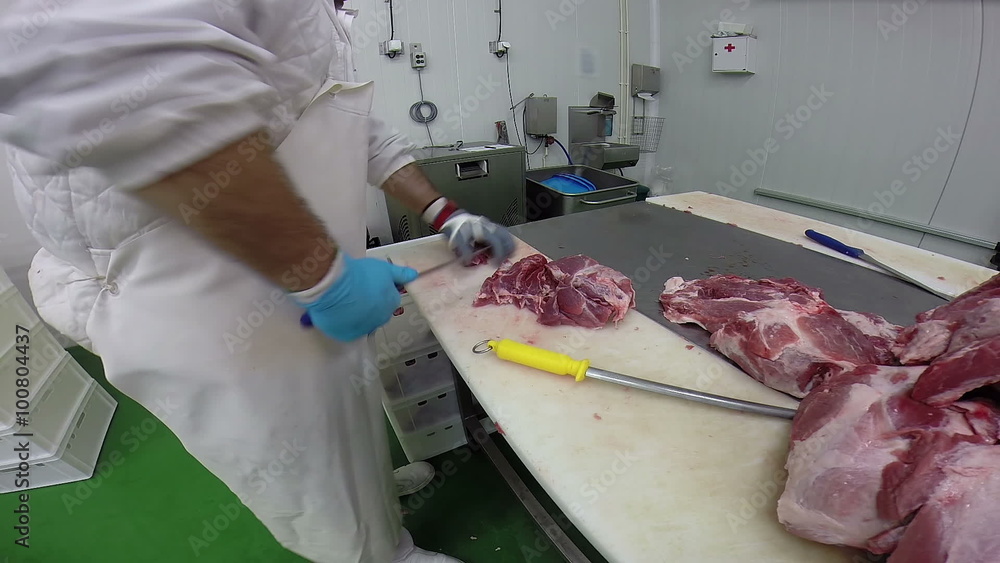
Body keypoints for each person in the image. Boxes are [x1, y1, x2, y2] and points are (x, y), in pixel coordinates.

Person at [0, 1, 515, 561]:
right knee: (298, 448)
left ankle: (371, 504)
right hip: (190, 266)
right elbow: (133, 93)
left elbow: (345, 121)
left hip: (291, 253)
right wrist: (326, 280)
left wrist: (444, 211)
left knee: (345, 399)